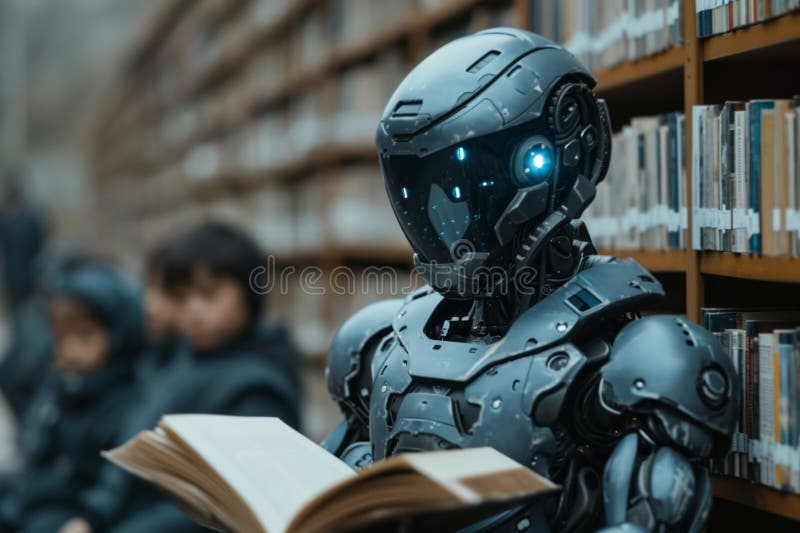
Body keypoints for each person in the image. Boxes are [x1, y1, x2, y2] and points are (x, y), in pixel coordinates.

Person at [322, 28, 739, 532]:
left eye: (463, 181)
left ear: (549, 159)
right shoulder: (383, 344)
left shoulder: (633, 359)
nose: (441, 214)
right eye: (421, 188)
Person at [61, 222, 302, 533]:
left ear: (249, 292)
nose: (193, 310)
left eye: (208, 294)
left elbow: (231, 508)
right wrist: (91, 518)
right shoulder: (177, 361)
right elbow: (131, 454)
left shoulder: (258, 387)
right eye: (182, 297)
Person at [0, 262, 143, 532]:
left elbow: (113, 482)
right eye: (61, 338)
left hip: (73, 509)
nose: (70, 350)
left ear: (118, 336)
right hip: (35, 494)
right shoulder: (63, 386)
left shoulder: (123, 400)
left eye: (84, 336)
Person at [0, 179, 46, 312]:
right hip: (13, 274)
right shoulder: (4, 220)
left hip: (30, 273)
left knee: (30, 309)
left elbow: (39, 245)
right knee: (16, 309)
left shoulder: (30, 219)